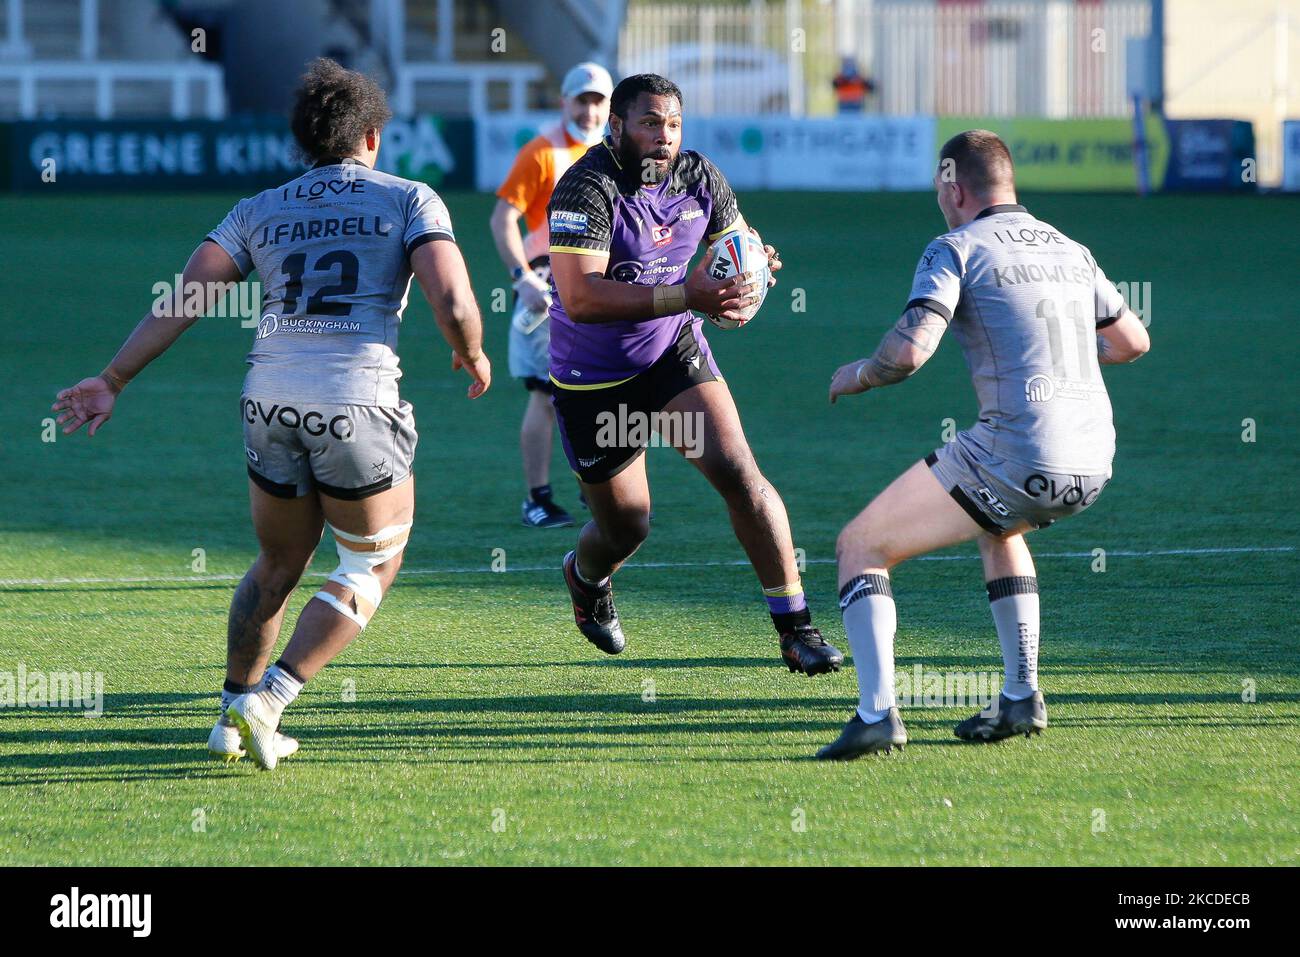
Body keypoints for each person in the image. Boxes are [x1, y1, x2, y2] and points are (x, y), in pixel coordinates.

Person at [51, 58, 491, 770]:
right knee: (373, 563)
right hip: (355, 400)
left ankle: (229, 713)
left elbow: (187, 296)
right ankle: (271, 698)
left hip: (268, 400)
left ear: (303, 142)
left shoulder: (259, 208)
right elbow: (456, 301)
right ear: (372, 135)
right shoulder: (411, 198)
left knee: (280, 558)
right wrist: (471, 351)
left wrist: (113, 377)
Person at [817, 129, 1150, 760]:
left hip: (1021, 455)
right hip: (1095, 459)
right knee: (1000, 528)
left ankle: (876, 715)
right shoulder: (1069, 248)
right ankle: (1022, 698)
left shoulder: (955, 246)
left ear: (953, 186)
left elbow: (909, 352)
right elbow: (1133, 341)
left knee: (860, 546)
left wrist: (858, 374)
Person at [545, 73, 843, 676]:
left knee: (741, 475)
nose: (664, 137)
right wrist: (688, 293)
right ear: (617, 126)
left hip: (673, 355)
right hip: (594, 377)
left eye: (673, 124)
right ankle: (585, 576)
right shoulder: (586, 187)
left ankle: (796, 628)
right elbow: (581, 298)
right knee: (627, 526)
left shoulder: (700, 176)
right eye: (650, 123)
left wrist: (752, 268)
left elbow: (735, 244)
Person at [490, 62, 613, 528]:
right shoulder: (544, 152)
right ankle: (537, 499)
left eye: (598, 100)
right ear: (564, 101)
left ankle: (598, 491)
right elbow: (502, 217)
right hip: (548, 292)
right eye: (581, 99)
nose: (589, 109)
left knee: (605, 390)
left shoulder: (611, 151)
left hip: (599, 290)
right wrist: (521, 277)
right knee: (548, 394)